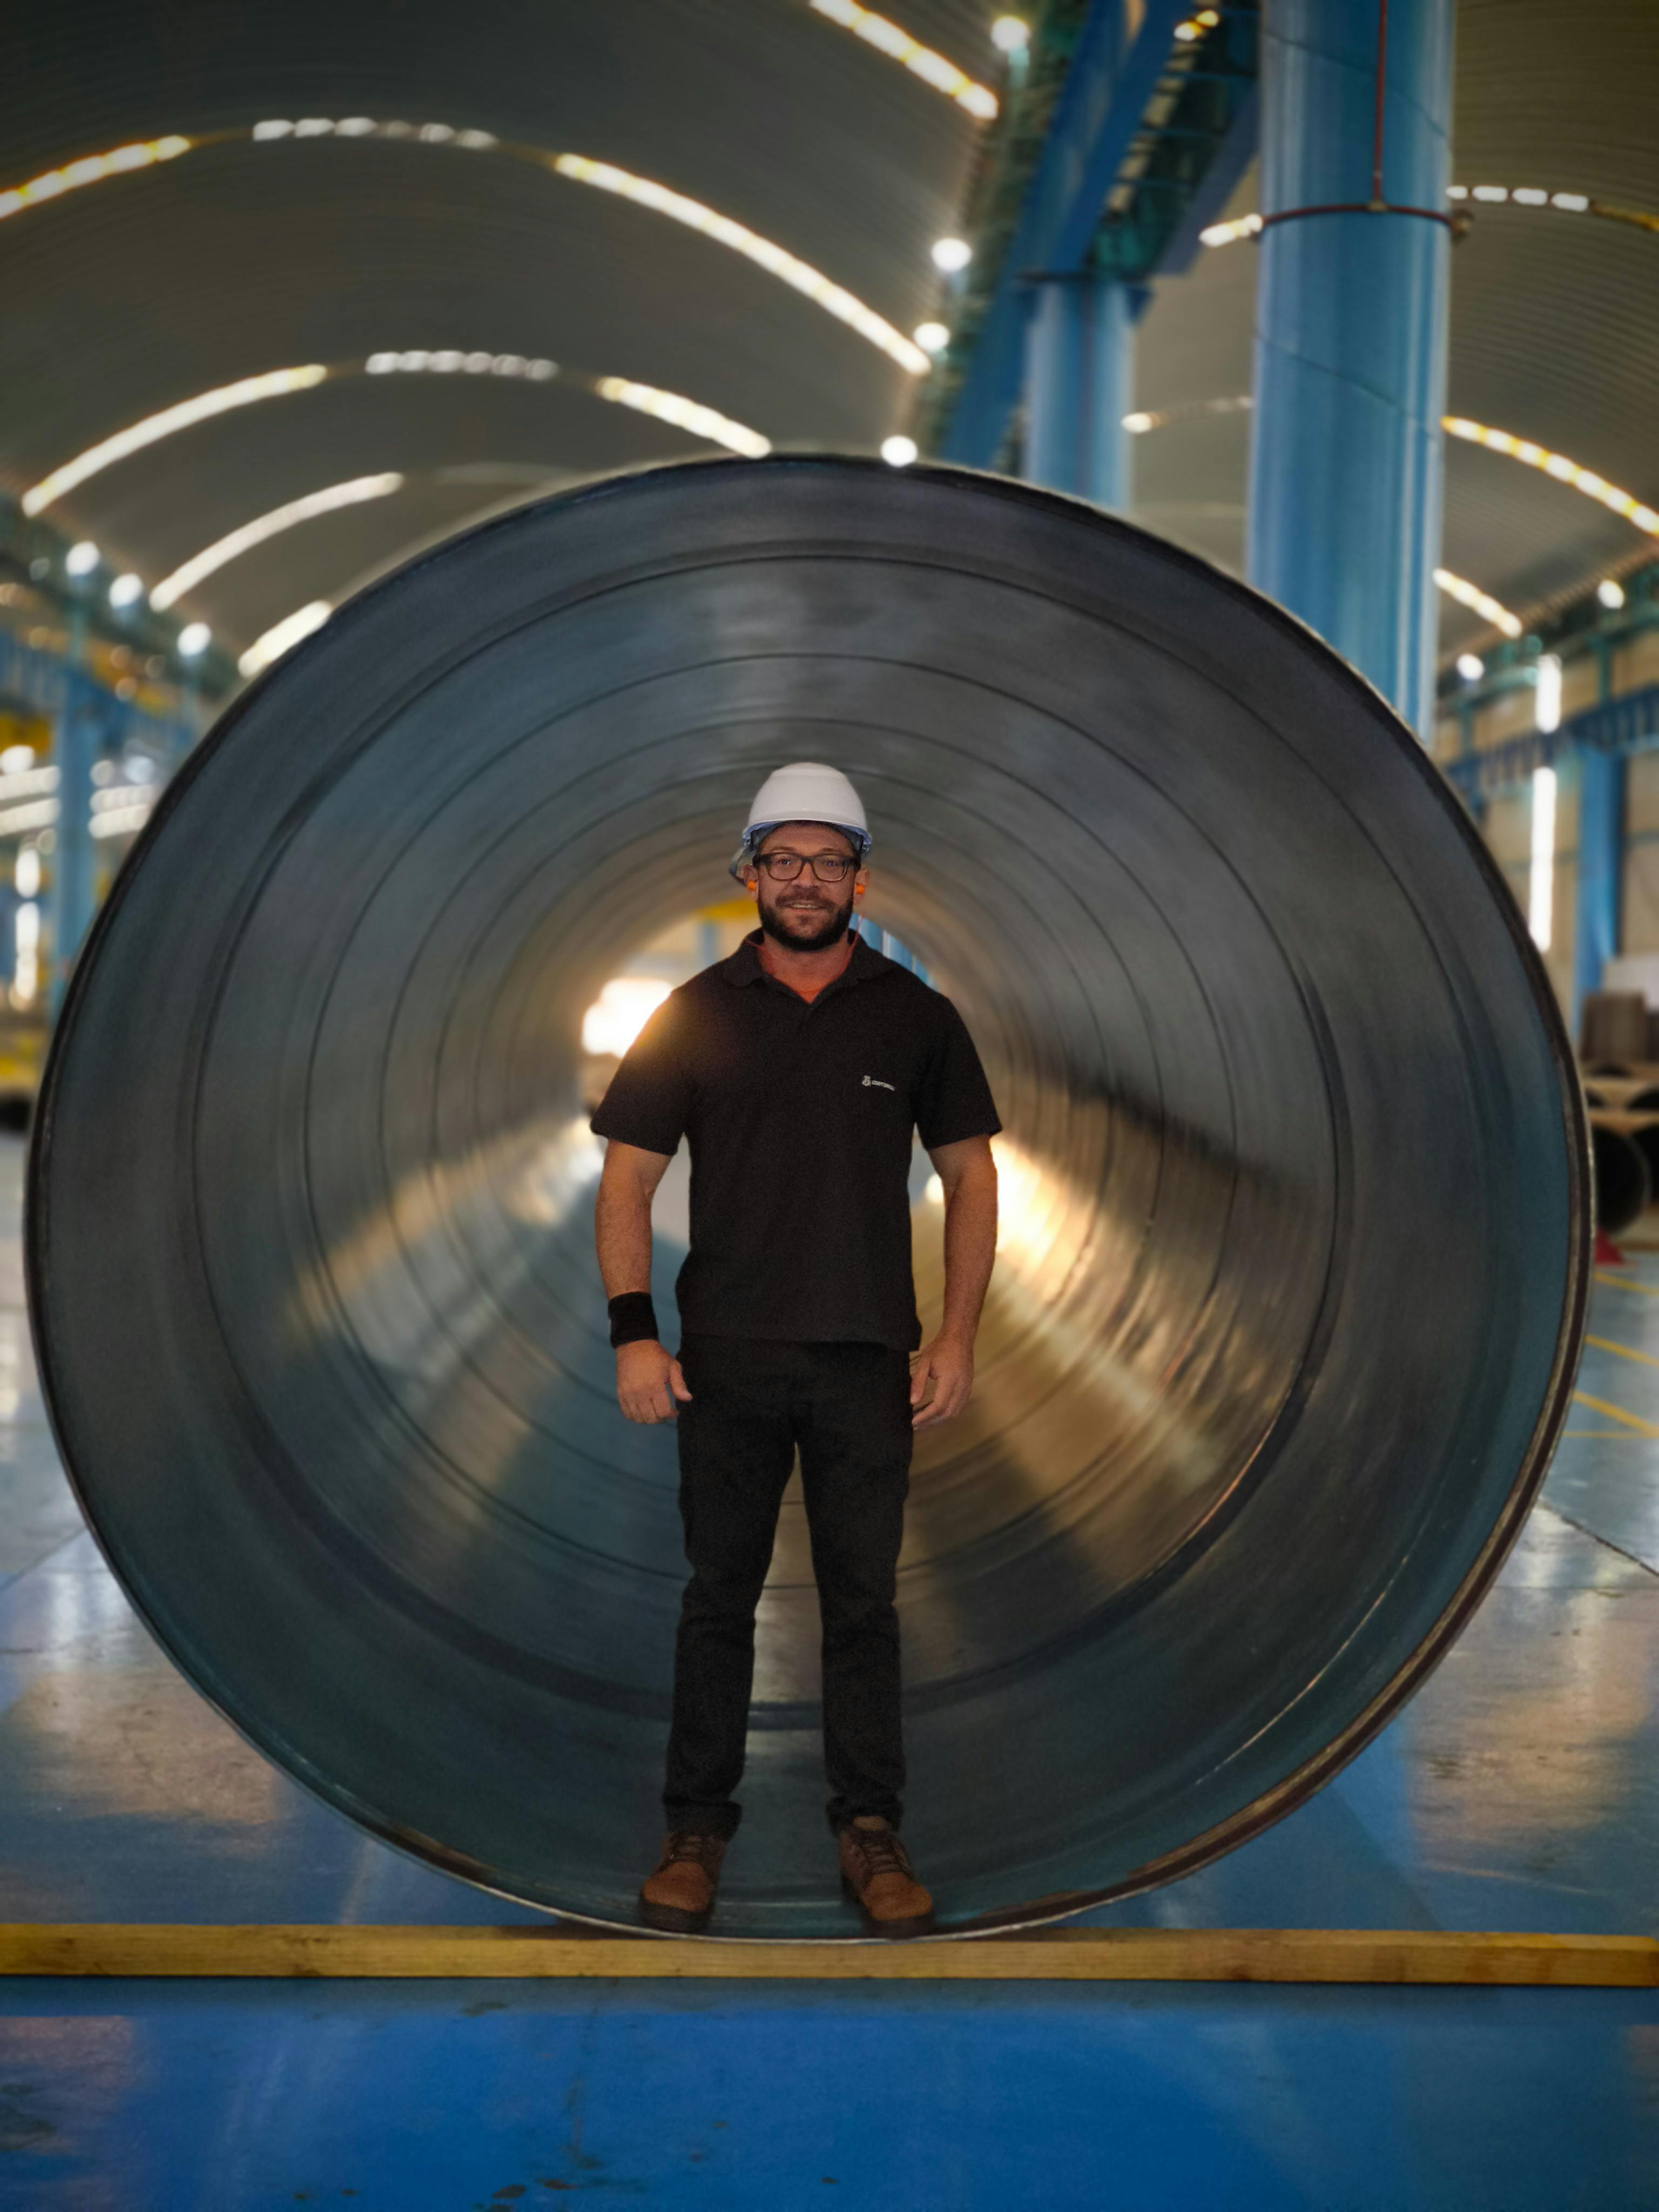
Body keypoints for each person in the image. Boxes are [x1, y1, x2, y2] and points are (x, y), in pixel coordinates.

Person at [591, 762, 1000, 1938]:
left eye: (828, 862)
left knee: (863, 1602)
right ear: (750, 873)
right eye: (784, 860)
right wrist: (635, 1334)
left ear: (861, 878)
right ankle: (694, 1831)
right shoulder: (693, 1012)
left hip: (868, 1359)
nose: (806, 881)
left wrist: (958, 1332)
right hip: (728, 1358)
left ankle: (871, 1830)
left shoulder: (918, 1016)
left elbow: (971, 1173)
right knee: (719, 1598)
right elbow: (629, 1172)